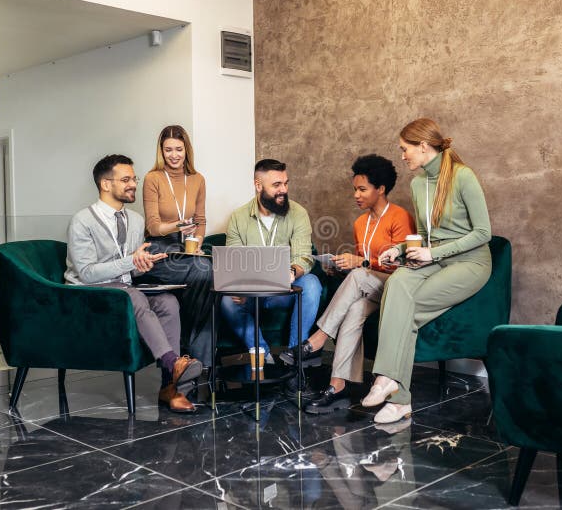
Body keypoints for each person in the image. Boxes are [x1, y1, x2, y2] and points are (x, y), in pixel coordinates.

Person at [361, 118, 492, 423]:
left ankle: (395, 390)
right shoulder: (418, 183)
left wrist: (433, 253)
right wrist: (402, 250)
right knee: (397, 285)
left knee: (405, 307)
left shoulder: (463, 176)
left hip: (469, 262)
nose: (402, 155)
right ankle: (393, 388)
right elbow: (423, 235)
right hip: (432, 260)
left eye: (405, 149)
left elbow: (483, 232)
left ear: (423, 146)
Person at [65, 154, 203, 413]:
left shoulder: (137, 221)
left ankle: (169, 388)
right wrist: (131, 261)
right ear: (106, 184)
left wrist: (144, 264)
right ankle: (174, 363)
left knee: (168, 301)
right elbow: (86, 273)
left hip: (124, 288)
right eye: (126, 179)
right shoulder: (82, 221)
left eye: (134, 179)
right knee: (133, 297)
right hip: (89, 295)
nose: (133, 184)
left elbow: (131, 270)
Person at [288, 154, 415, 414]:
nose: (356, 194)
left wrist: (361, 263)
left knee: (358, 276)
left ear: (380, 189)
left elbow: (401, 265)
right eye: (354, 189)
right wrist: (338, 268)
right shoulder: (361, 223)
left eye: (362, 189)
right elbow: (365, 267)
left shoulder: (399, 217)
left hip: (398, 288)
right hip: (372, 288)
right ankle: (337, 385)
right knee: (355, 309)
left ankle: (318, 338)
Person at [220, 158, 322, 363]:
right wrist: (239, 287)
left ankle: (294, 355)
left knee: (311, 284)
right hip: (251, 293)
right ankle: (262, 353)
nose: (283, 189)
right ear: (258, 185)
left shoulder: (298, 213)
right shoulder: (238, 218)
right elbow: (235, 262)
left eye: (285, 183)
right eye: (276, 185)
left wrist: (292, 272)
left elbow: (304, 255)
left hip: (284, 290)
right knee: (226, 302)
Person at [140, 125, 214, 366]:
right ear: (161, 151)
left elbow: (201, 221)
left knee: (209, 267)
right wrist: (179, 226)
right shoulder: (153, 178)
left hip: (186, 250)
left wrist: (197, 242)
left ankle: (200, 363)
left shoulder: (197, 179)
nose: (174, 155)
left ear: (186, 150)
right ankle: (187, 349)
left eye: (179, 149)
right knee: (203, 270)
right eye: (168, 149)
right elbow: (152, 227)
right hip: (159, 249)